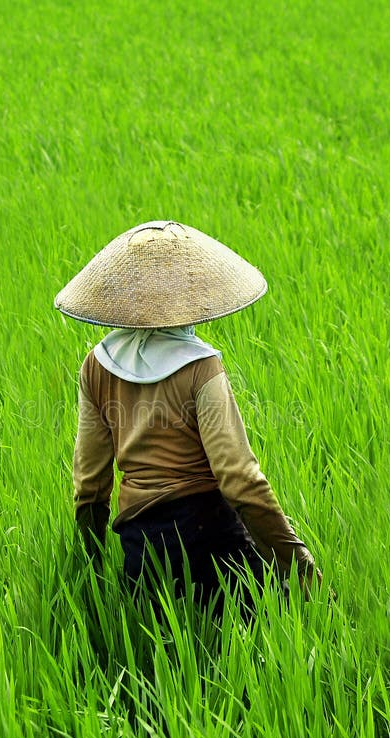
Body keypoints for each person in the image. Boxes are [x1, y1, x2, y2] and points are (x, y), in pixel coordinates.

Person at [54, 221, 321, 606]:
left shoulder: (96, 365)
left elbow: (90, 486)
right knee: (277, 625)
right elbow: (240, 479)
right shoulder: (201, 367)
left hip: (142, 556)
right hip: (213, 543)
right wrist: (300, 567)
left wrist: (92, 567)